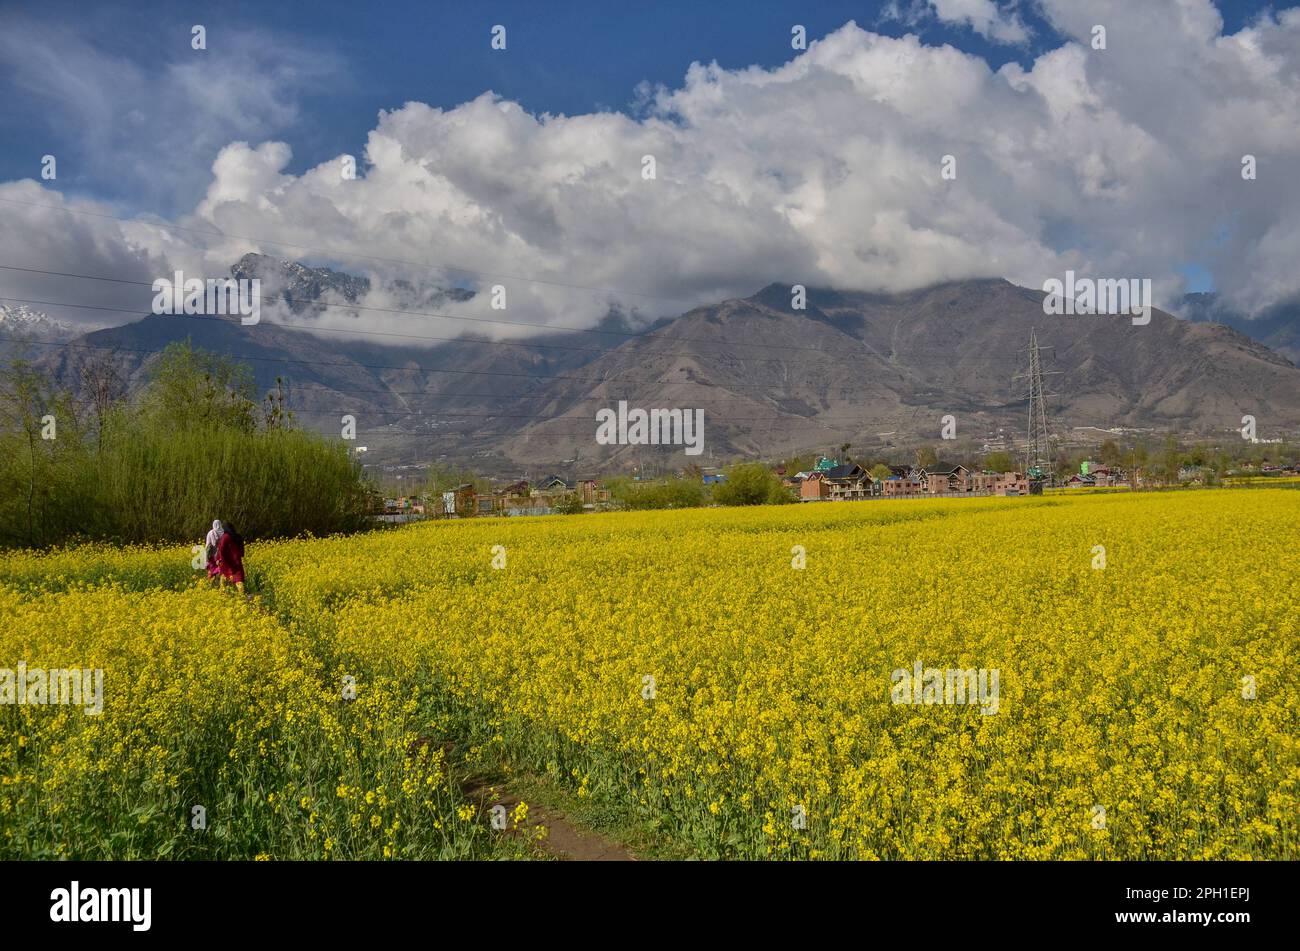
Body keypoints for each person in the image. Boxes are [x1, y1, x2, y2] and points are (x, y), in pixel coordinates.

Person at [217, 521, 246, 597]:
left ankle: (223, 594)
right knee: (238, 578)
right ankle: (241, 594)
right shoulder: (238, 536)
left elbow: (221, 549)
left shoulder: (225, 536)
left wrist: (219, 559)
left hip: (227, 561)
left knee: (224, 576)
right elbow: (242, 549)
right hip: (236, 561)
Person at [203, 520, 223, 584]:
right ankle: (220, 585)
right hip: (220, 556)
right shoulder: (224, 532)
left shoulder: (211, 532)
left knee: (211, 571)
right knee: (221, 570)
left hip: (212, 556)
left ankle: (210, 585)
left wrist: (206, 559)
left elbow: (207, 546)